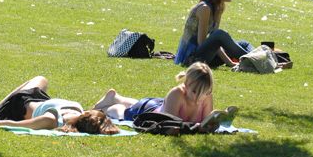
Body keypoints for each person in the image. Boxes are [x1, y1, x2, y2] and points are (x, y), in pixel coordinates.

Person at [92, 62, 227, 126]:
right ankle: (104, 108)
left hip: (159, 104)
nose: (199, 98)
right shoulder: (177, 94)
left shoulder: (207, 95)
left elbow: (206, 121)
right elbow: (169, 123)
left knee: (137, 104)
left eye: (204, 93)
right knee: (125, 114)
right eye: (195, 92)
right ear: (186, 85)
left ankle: (115, 97)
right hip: (150, 112)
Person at [0, 76, 119, 135]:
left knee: (37, 79)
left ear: (84, 116)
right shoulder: (78, 112)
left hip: (19, 103)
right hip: (41, 100)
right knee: (42, 79)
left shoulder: (50, 119)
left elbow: (17, 125)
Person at [175, 0, 254, 68]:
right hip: (191, 58)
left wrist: (228, 60)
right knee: (219, 34)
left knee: (244, 43)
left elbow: (215, 41)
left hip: (205, 56)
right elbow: (202, 42)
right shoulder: (204, 8)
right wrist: (229, 62)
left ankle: (261, 58)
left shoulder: (219, 8)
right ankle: (255, 61)